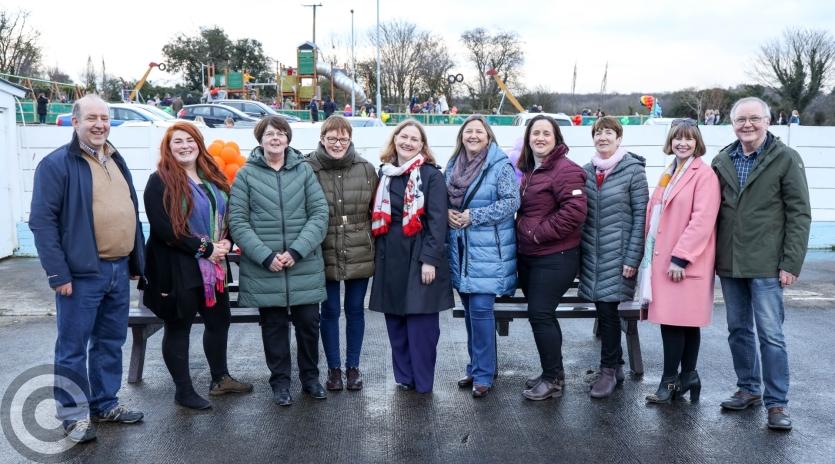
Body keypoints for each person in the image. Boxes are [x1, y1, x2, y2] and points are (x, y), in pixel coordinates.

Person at [29, 95, 146, 443]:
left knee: (111, 341)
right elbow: (42, 223)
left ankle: (104, 403)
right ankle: (73, 415)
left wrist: (136, 261)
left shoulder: (115, 159)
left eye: (105, 118)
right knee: (73, 346)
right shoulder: (57, 164)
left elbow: (129, 211)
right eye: (91, 118)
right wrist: (58, 274)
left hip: (118, 269)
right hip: (81, 275)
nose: (99, 124)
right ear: (75, 122)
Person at [712, 97, 811, 431]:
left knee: (771, 335)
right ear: (733, 123)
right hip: (730, 262)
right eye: (741, 119)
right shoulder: (722, 159)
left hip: (768, 264)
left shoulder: (786, 158)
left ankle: (777, 403)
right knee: (737, 330)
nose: (748, 125)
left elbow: (799, 214)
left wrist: (791, 262)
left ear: (769, 121)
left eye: (755, 118)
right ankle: (748, 388)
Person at [143, 122, 253, 410]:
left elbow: (229, 214)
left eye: (189, 140)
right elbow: (165, 229)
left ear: (199, 143)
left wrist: (226, 241)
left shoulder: (213, 176)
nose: (184, 146)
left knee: (219, 320)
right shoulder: (160, 181)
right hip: (179, 266)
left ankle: (221, 379)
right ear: (168, 148)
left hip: (214, 267)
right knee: (179, 326)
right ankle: (183, 390)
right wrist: (205, 248)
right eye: (177, 141)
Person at [229, 116, 329, 407]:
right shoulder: (246, 175)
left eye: (281, 133)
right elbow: (238, 221)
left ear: (288, 139)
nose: (276, 138)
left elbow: (319, 214)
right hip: (266, 268)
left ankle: (310, 378)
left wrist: (296, 251)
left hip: (303, 264)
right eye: (270, 134)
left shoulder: (304, 172)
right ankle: (280, 382)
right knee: (273, 326)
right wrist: (265, 256)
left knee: (309, 323)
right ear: (260, 139)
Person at [638, 119, 720, 404]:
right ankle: (688, 376)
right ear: (670, 142)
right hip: (665, 261)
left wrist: (681, 258)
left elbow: (702, 220)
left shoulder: (704, 175)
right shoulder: (669, 172)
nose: (682, 143)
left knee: (675, 322)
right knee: (683, 323)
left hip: (683, 263)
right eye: (677, 139)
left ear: (697, 142)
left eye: (688, 139)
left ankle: (670, 380)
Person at [368, 120, 453, 393]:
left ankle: (423, 383)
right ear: (394, 140)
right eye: (403, 137)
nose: (407, 142)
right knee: (395, 321)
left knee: (422, 326)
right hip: (389, 255)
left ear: (422, 145)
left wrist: (430, 259)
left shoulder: (431, 176)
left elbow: (438, 223)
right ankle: (404, 377)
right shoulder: (385, 174)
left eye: (414, 139)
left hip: (419, 255)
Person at [445, 115, 520, 398]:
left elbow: (512, 202)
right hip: (461, 251)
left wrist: (472, 216)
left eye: (479, 131)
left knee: (480, 312)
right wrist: (450, 214)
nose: (473, 135)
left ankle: (484, 374)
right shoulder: (453, 164)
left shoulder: (500, 166)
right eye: (468, 131)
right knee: (470, 314)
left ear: (488, 137)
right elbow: (446, 199)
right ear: (462, 136)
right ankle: (476, 366)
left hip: (489, 252)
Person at [516, 115, 587, 401]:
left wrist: (536, 234)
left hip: (556, 256)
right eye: (535, 133)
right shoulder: (531, 170)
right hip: (531, 256)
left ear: (557, 138)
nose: (540, 138)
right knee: (542, 315)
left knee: (541, 313)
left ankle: (553, 380)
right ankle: (552, 371)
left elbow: (575, 212)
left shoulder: (565, 170)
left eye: (546, 133)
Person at [578, 116, 649, 399]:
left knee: (608, 312)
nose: (602, 137)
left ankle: (608, 370)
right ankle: (616, 366)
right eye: (598, 133)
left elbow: (641, 217)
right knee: (603, 310)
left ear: (619, 138)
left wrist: (632, 258)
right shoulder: (585, 171)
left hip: (619, 256)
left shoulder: (633, 171)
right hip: (592, 256)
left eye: (609, 132)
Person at [306, 116, 378, 391]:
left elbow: (376, 209)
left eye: (343, 139)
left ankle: (353, 367)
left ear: (350, 140)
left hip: (359, 245)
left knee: (355, 309)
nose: (338, 144)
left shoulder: (366, 168)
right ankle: (334, 369)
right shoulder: (308, 168)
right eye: (332, 138)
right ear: (323, 138)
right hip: (323, 246)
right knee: (330, 310)